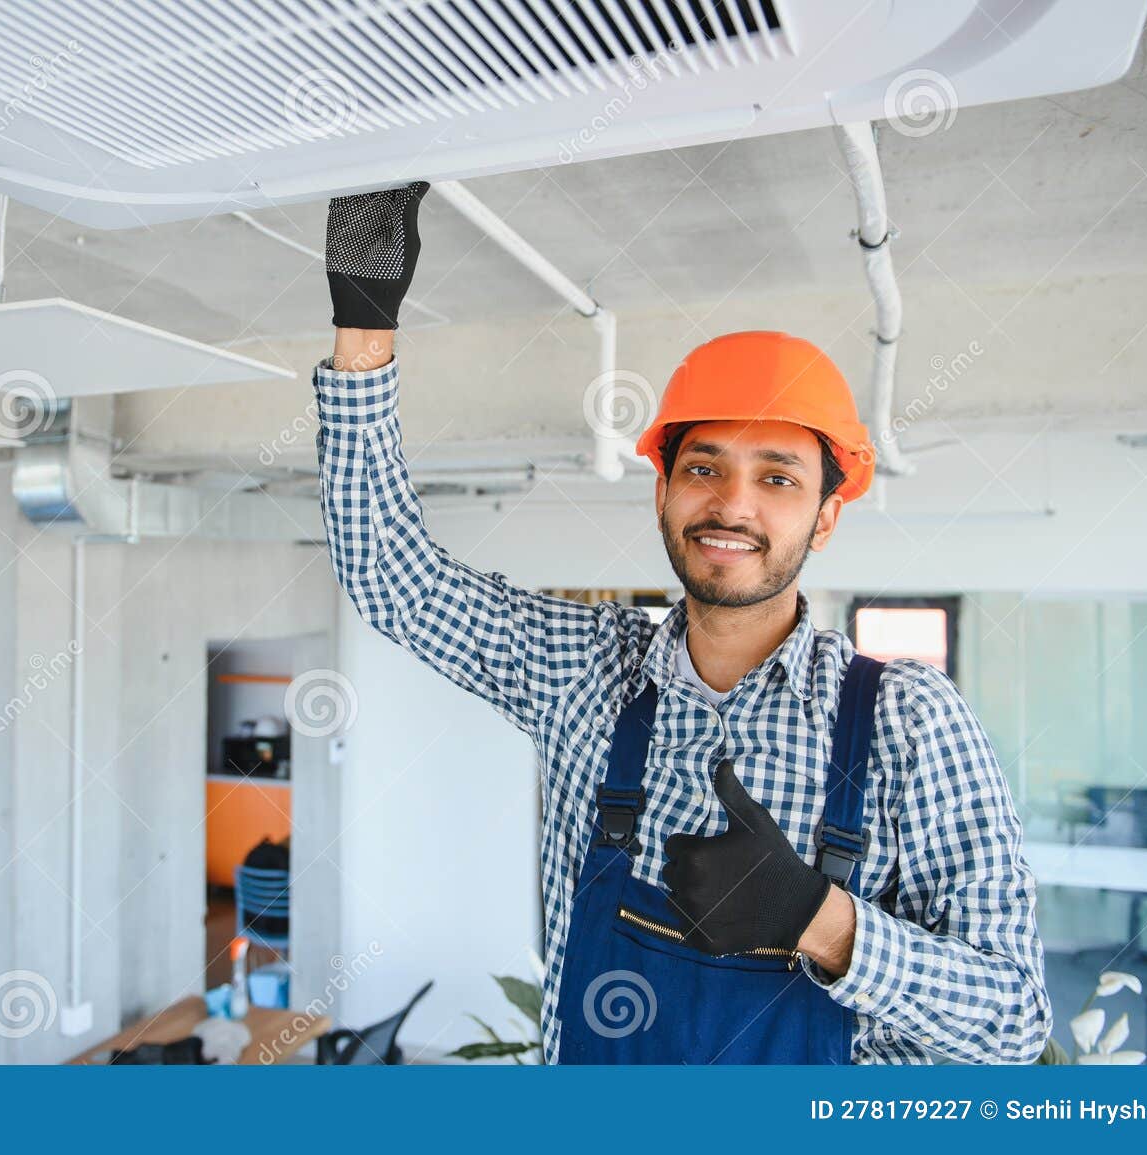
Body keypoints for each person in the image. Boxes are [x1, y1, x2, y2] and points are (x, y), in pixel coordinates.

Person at [311, 183, 1051, 1064]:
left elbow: (1013, 1022)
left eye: (777, 477)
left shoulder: (909, 723)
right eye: (704, 467)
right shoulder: (582, 671)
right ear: (664, 493)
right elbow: (391, 575)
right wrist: (365, 311)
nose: (732, 504)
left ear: (825, 516)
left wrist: (823, 921)